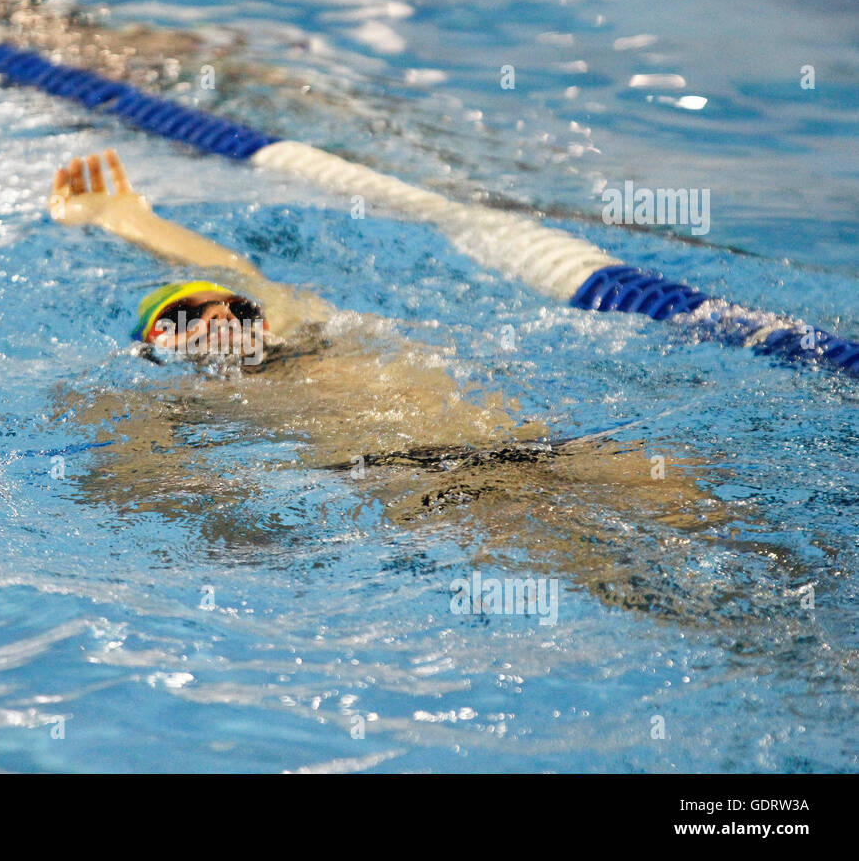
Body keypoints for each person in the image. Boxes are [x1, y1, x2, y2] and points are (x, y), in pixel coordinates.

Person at [47, 150, 781, 621]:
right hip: (427, 486)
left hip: (544, 448)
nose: (214, 316)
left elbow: (235, 268)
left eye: (227, 306)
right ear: (160, 347)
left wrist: (127, 217)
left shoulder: (309, 328)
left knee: (739, 528)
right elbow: (135, 479)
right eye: (183, 316)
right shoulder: (182, 400)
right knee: (637, 588)